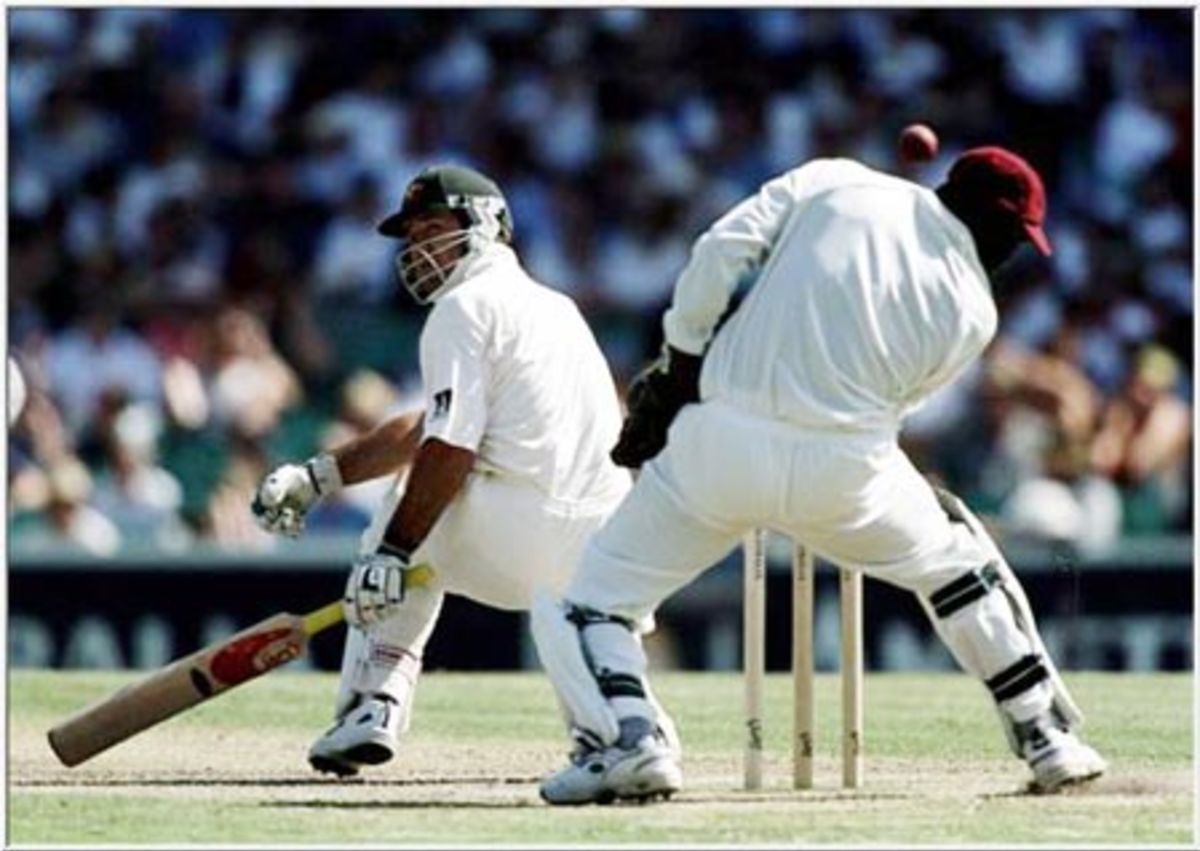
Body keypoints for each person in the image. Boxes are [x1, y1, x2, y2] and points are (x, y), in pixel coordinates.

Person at [528, 147, 1109, 805]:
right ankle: (1045, 732)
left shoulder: (836, 179)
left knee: (589, 601)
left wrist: (680, 362)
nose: (1010, 251)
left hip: (720, 447)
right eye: (1013, 236)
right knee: (959, 560)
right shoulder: (975, 313)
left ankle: (629, 740)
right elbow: (898, 404)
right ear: (994, 225)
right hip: (850, 470)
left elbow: (721, 249)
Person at [251, 164, 676, 776]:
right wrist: (321, 476)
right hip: (607, 541)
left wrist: (392, 552)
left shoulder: (462, 307)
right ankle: (626, 731)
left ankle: (375, 701)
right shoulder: (555, 305)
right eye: (413, 236)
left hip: (523, 531)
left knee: (407, 503)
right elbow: (433, 423)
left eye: (432, 227)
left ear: (487, 224)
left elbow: (449, 449)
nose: (420, 246)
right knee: (587, 642)